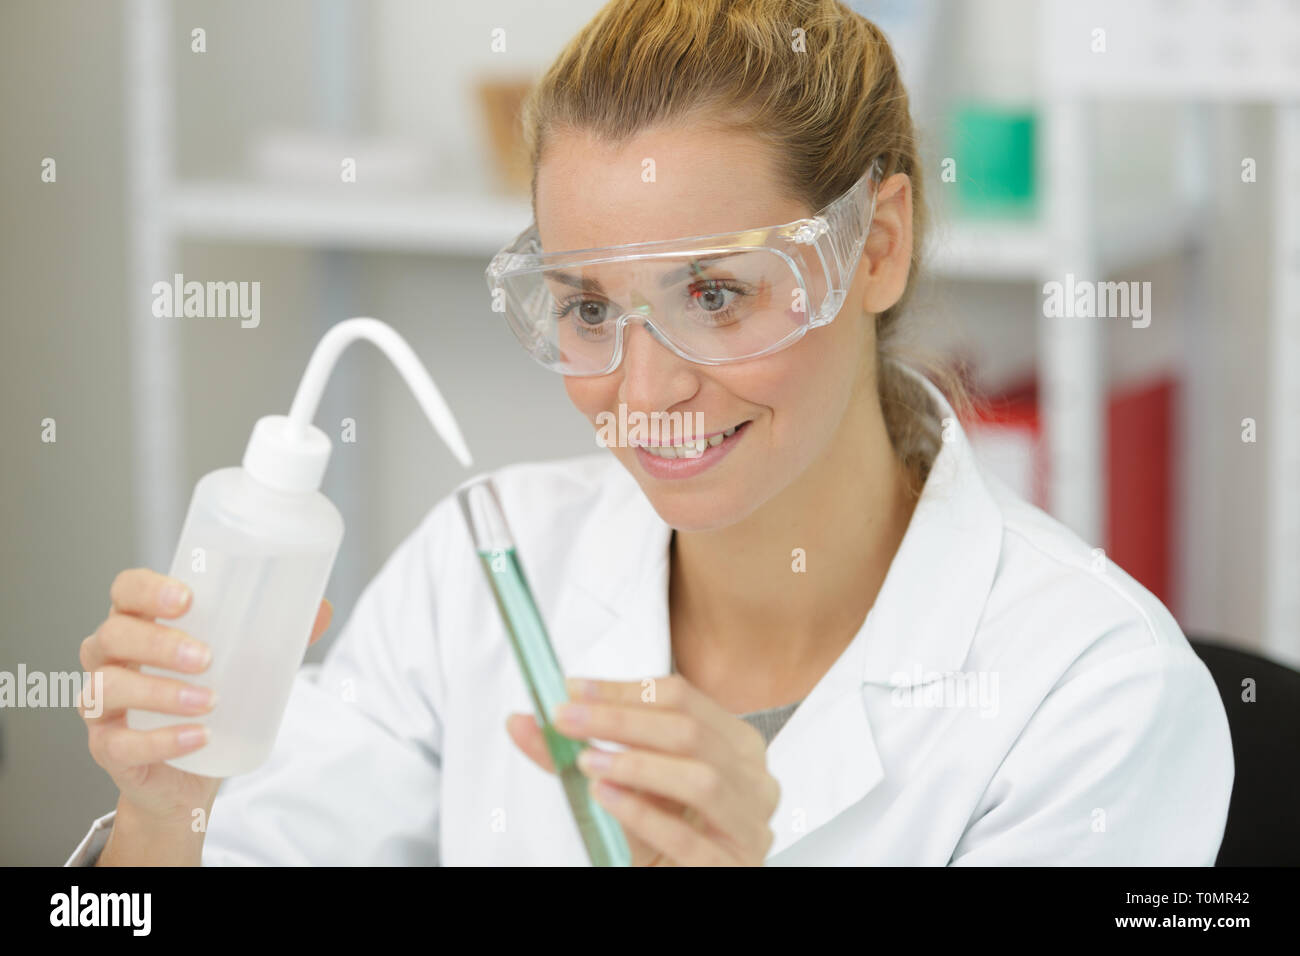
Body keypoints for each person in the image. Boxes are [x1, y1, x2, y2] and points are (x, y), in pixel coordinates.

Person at [68, 0, 1232, 866]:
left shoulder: (1091, 696)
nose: (644, 389)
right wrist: (170, 806)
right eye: (586, 307)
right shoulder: (482, 569)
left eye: (716, 294)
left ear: (873, 247)